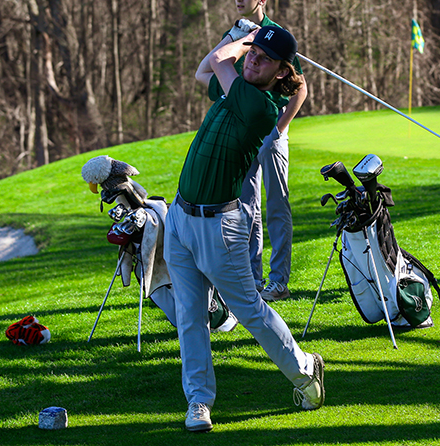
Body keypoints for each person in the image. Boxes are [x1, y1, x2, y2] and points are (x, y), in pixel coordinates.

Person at [163, 26, 324, 433]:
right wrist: (252, 40)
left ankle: (305, 371)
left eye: (264, 57)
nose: (253, 59)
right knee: (189, 317)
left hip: (221, 226)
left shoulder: (260, 105)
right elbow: (205, 68)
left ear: (281, 72)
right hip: (181, 217)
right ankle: (199, 402)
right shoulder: (234, 89)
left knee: (250, 310)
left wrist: (246, 38)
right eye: (253, 54)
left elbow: (218, 60)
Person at [227, 0, 308, 301]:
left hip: (271, 134)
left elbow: (301, 88)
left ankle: (279, 281)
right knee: (248, 208)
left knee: (276, 206)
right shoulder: (238, 33)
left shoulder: (277, 34)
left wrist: (279, 128)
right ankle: (253, 279)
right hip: (247, 134)